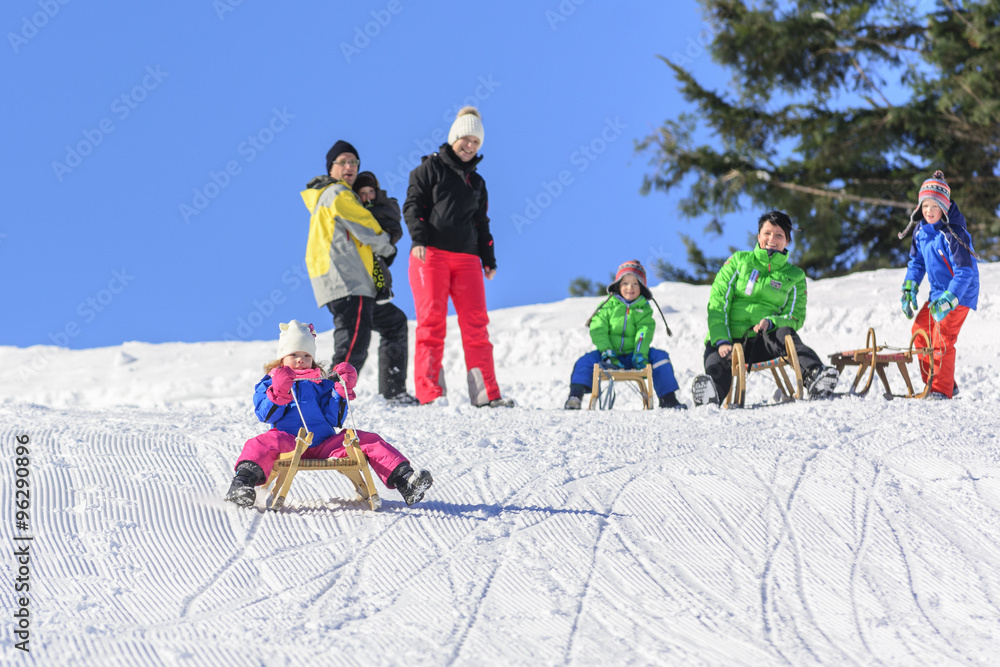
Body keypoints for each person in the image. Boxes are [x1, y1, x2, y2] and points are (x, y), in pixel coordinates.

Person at [224, 320, 433, 508]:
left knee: (365, 439)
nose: (301, 360)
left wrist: (341, 390)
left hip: (325, 443)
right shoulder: (270, 382)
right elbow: (265, 415)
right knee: (262, 442)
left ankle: (406, 481)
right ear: (282, 358)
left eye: (307, 355)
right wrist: (279, 390)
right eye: (294, 355)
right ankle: (242, 483)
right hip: (290, 441)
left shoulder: (321, 384)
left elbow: (334, 419)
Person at [403, 107, 513, 407]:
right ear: (454, 138)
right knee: (431, 324)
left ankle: (486, 394)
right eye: (466, 139)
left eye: (476, 142)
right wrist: (418, 239)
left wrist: (488, 259)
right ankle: (431, 394)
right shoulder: (429, 169)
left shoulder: (477, 183)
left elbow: (482, 222)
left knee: (476, 326)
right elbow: (413, 206)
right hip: (431, 255)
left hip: (467, 259)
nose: (470, 146)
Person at [302, 141, 415, 406]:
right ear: (331, 168)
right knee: (353, 343)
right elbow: (366, 227)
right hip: (347, 280)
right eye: (342, 162)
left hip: (350, 281)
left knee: (394, 322)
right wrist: (387, 244)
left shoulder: (328, 196)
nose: (349, 166)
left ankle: (393, 392)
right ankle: (328, 401)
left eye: (354, 162)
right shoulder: (338, 193)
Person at [691, 211, 839, 406]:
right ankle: (711, 395)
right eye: (767, 233)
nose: (772, 240)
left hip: (763, 342)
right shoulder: (738, 262)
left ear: (787, 241)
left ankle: (815, 376)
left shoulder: (795, 276)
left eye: (779, 235)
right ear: (759, 236)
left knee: (785, 333)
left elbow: (795, 315)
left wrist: (771, 322)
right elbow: (718, 302)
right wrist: (721, 339)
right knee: (716, 360)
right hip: (729, 340)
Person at [898, 170, 980, 399]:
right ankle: (936, 383)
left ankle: (940, 391)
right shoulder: (920, 231)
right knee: (920, 332)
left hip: (960, 293)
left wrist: (950, 298)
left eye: (934, 206)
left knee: (942, 337)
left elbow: (965, 271)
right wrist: (909, 287)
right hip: (937, 294)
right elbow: (916, 263)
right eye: (925, 206)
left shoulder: (954, 233)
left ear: (944, 207)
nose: (929, 211)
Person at [564, 260, 685, 410]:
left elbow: (644, 332)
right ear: (618, 285)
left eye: (635, 284)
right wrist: (607, 352)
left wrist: (640, 354)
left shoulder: (644, 309)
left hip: (635, 355)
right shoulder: (607, 307)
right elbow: (598, 330)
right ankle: (575, 396)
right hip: (608, 355)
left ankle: (668, 399)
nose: (630, 288)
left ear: (642, 287)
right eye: (625, 283)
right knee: (585, 362)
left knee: (661, 357)